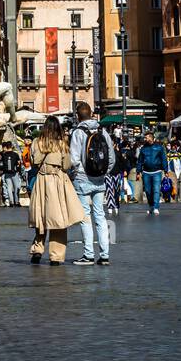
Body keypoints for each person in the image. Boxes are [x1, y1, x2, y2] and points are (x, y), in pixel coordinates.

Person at [29, 116, 83, 265]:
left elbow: (34, 163)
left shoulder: (36, 142)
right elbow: (66, 166)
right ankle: (56, 256)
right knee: (58, 220)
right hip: (56, 181)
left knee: (41, 218)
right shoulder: (62, 144)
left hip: (41, 181)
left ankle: (37, 250)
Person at [69, 101, 113, 265]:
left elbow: (74, 159)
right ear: (92, 114)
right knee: (100, 216)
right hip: (99, 180)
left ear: (78, 116)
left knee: (85, 217)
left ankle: (88, 254)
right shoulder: (103, 131)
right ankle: (105, 255)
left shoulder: (78, 132)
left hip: (83, 179)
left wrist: (76, 175)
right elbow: (111, 157)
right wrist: (103, 172)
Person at [135, 130, 169, 216]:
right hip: (146, 172)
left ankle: (156, 208)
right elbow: (140, 161)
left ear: (151, 137)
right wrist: (138, 172)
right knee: (148, 191)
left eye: (146, 137)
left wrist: (166, 170)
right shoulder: (143, 148)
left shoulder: (159, 147)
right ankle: (151, 206)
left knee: (156, 190)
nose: (145, 139)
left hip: (157, 172)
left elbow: (163, 159)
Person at [0, 141, 22, 208]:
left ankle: (11, 202)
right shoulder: (15, 154)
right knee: (16, 187)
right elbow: (19, 163)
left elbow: (1, 165)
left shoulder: (3, 155)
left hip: (7, 173)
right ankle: (17, 201)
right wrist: (19, 171)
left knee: (9, 188)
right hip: (14, 173)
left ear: (6, 147)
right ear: (11, 146)